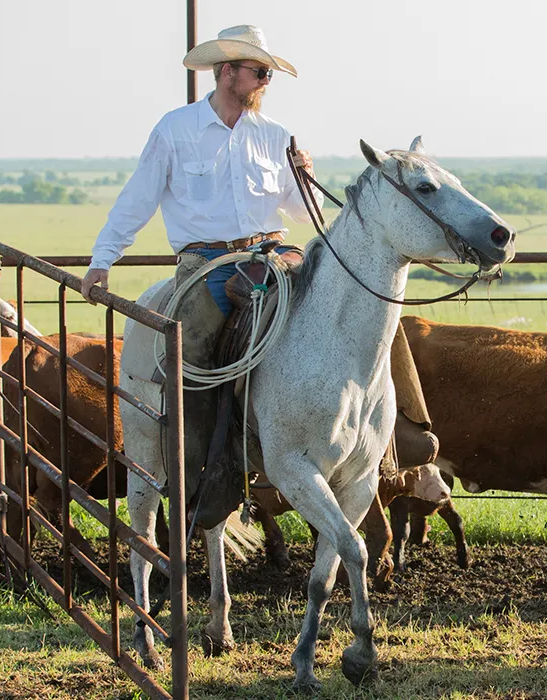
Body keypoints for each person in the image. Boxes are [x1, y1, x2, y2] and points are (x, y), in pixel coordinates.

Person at [82, 25, 436, 529]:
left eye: (269, 73)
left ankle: (398, 438)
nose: (266, 81)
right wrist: (103, 259)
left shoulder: (274, 135)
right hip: (206, 263)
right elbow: (136, 200)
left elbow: (303, 212)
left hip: (274, 254)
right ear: (227, 72)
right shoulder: (176, 130)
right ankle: (205, 474)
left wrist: (305, 180)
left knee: (362, 303)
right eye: (259, 72)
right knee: (194, 346)